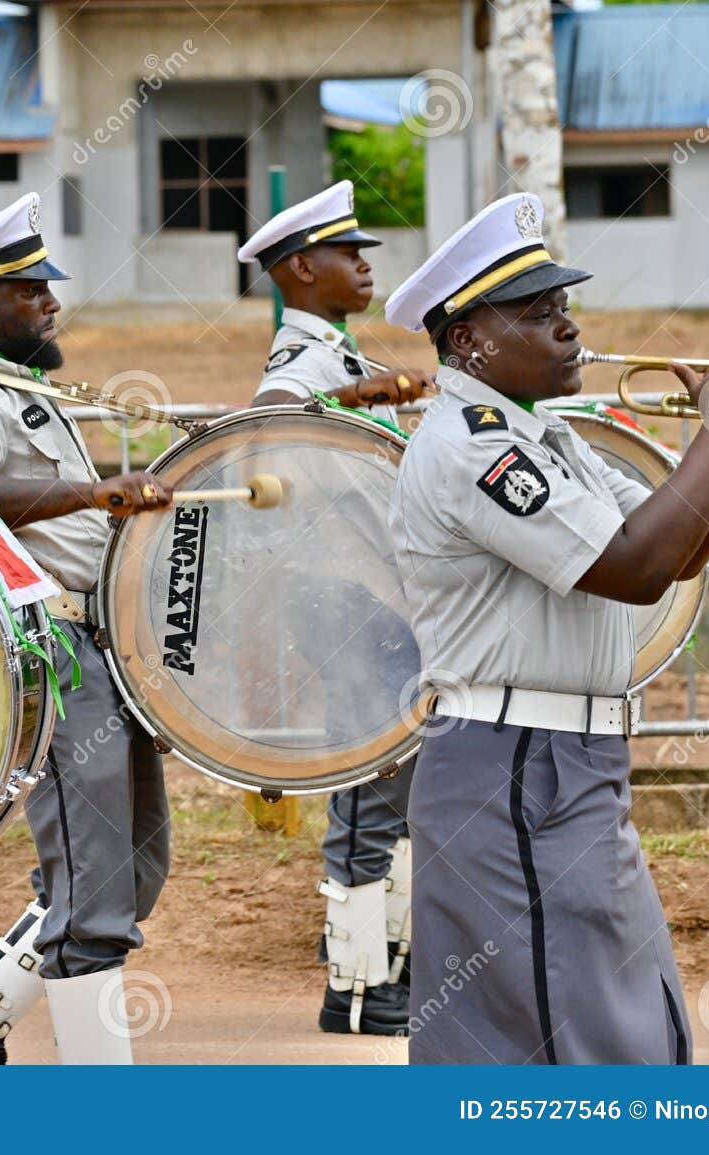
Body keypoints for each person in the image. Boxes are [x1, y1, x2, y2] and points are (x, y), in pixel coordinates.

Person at [384, 191, 709, 1063]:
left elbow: (672, 556)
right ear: (467, 340)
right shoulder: (475, 445)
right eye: (539, 314)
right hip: (513, 763)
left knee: (603, 1021)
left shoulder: (547, 436)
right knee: (587, 1041)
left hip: (560, 767)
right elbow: (635, 567)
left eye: (566, 307)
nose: (569, 329)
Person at [0, 192, 174, 1064]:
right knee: (96, 890)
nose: (52, 302)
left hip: (97, 645)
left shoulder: (25, 389)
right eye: (31, 290)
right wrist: (96, 493)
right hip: (49, 650)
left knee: (135, 864)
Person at [241, 180, 434, 1035]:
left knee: (397, 781)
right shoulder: (305, 360)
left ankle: (387, 960)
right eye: (347, 254)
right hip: (338, 592)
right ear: (298, 268)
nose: (363, 266)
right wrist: (355, 399)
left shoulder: (342, 352)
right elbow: (270, 418)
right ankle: (356, 982)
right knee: (368, 778)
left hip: (373, 588)